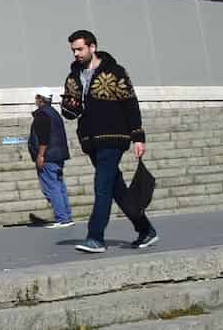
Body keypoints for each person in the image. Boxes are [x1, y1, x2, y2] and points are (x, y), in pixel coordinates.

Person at [61, 30, 156, 253]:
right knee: (117, 189)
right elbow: (68, 112)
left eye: (80, 49)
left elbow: (131, 104)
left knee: (102, 186)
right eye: (73, 50)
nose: (76, 53)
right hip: (90, 140)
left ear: (92, 47)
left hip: (114, 138)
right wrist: (70, 107)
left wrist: (138, 137)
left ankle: (95, 238)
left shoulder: (115, 72)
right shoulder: (73, 76)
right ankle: (146, 230)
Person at [29, 89, 73, 228]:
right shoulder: (54, 113)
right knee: (59, 186)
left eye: (36, 97)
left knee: (51, 187)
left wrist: (41, 155)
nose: (35, 100)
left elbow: (44, 137)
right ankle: (66, 216)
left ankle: (62, 218)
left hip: (48, 156)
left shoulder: (42, 114)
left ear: (40, 99)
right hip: (58, 155)